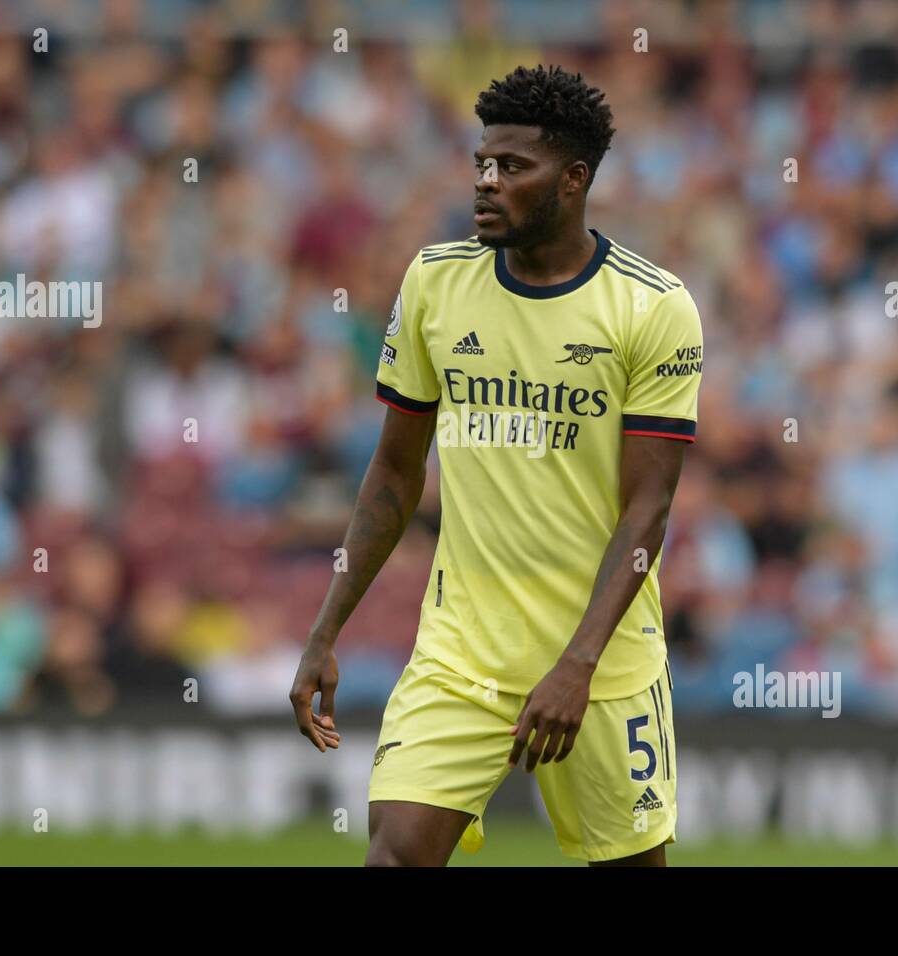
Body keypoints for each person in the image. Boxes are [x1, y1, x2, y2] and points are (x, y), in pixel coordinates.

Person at [289, 64, 703, 866]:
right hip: (462, 655)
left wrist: (577, 666)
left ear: (574, 179)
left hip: (603, 664)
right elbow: (394, 474)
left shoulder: (653, 309)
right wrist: (325, 628)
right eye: (483, 162)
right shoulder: (434, 284)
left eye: (514, 168)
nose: (486, 181)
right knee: (395, 857)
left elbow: (648, 509)